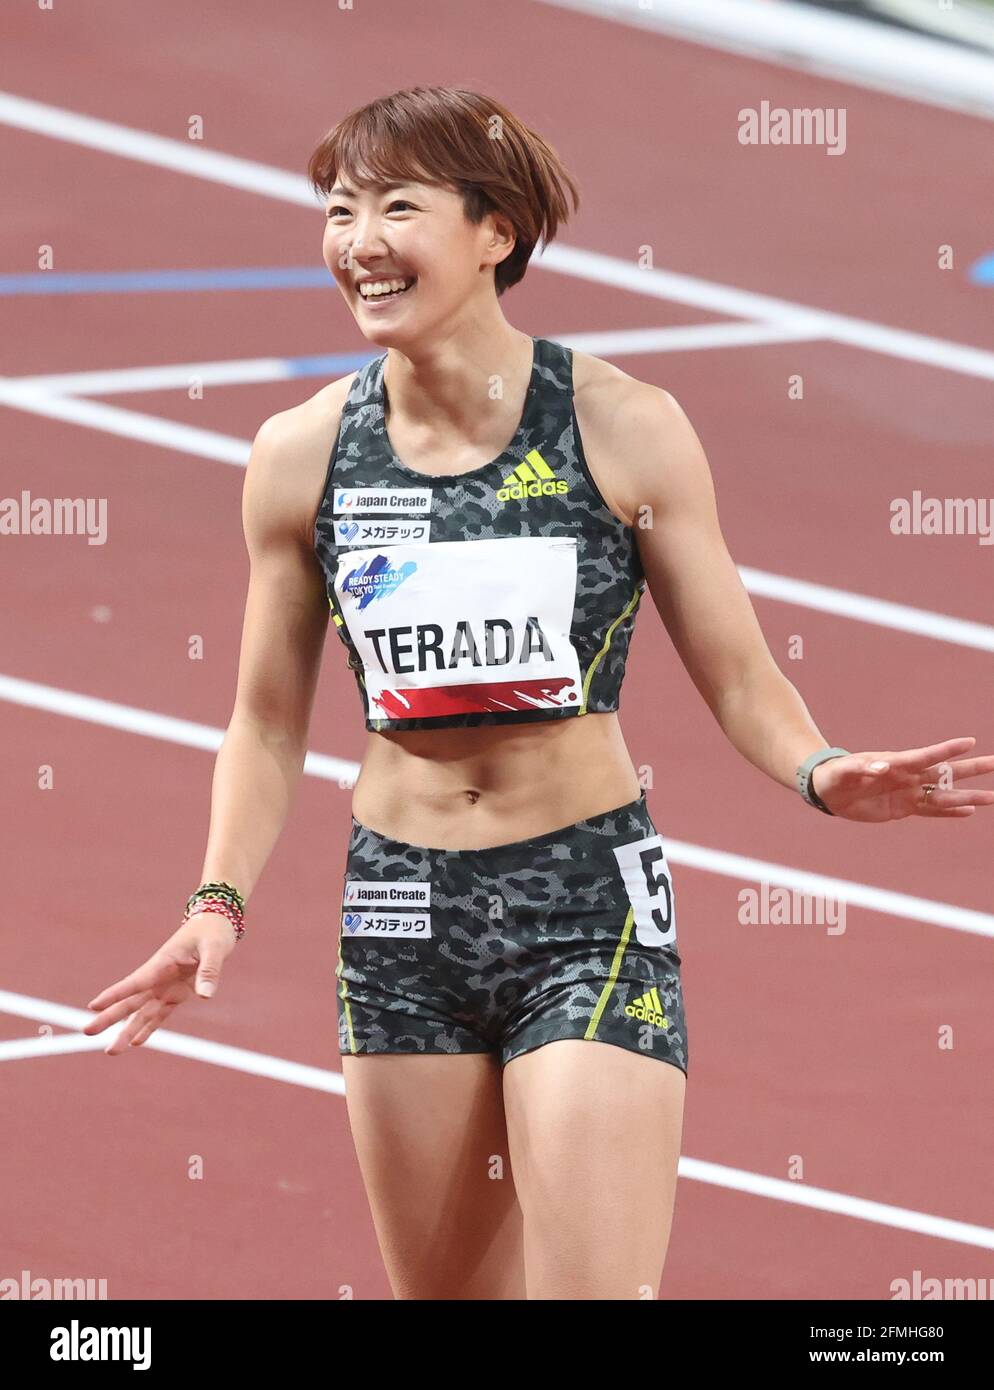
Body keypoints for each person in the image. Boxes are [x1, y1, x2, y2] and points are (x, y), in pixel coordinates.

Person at [83, 86, 994, 1301]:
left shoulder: (621, 427)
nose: (357, 241)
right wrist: (218, 903)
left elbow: (735, 668)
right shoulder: (302, 454)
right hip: (399, 911)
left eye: (395, 206)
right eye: (339, 209)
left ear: (493, 231)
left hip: (584, 903)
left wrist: (823, 775)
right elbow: (265, 716)